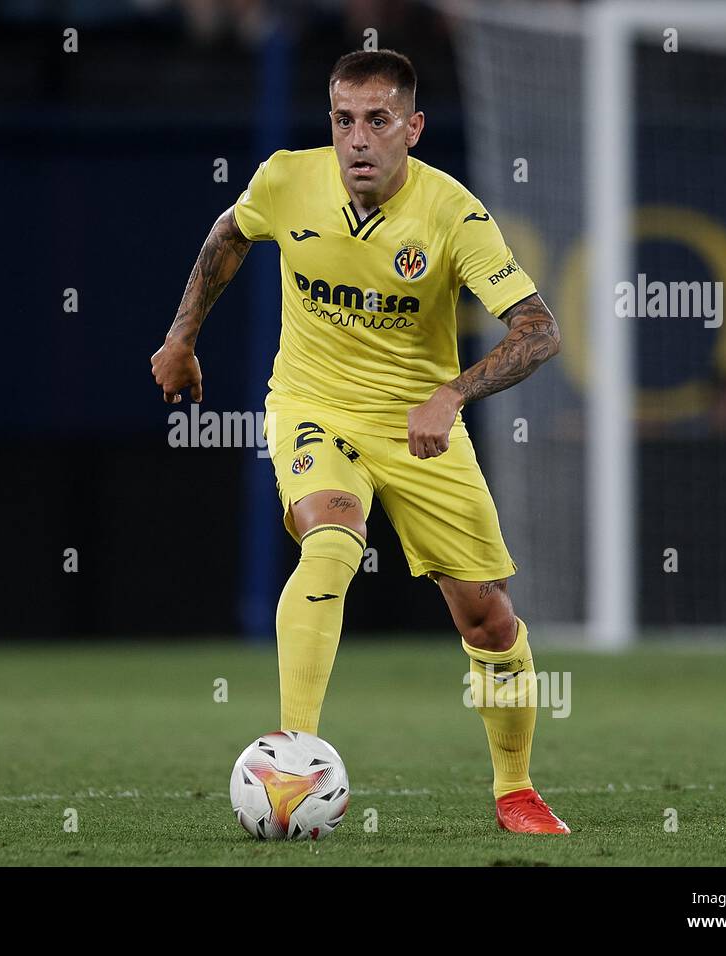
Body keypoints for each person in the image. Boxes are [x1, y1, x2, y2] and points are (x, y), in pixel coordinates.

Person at [151, 49, 568, 833]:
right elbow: (229, 235)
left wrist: (453, 393)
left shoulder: (453, 213)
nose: (358, 140)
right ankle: (293, 752)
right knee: (332, 540)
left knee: (489, 621)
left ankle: (515, 789)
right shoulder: (286, 179)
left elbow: (539, 331)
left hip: (420, 426)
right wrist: (181, 338)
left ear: (412, 128)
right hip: (314, 407)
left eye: (378, 121)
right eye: (344, 120)